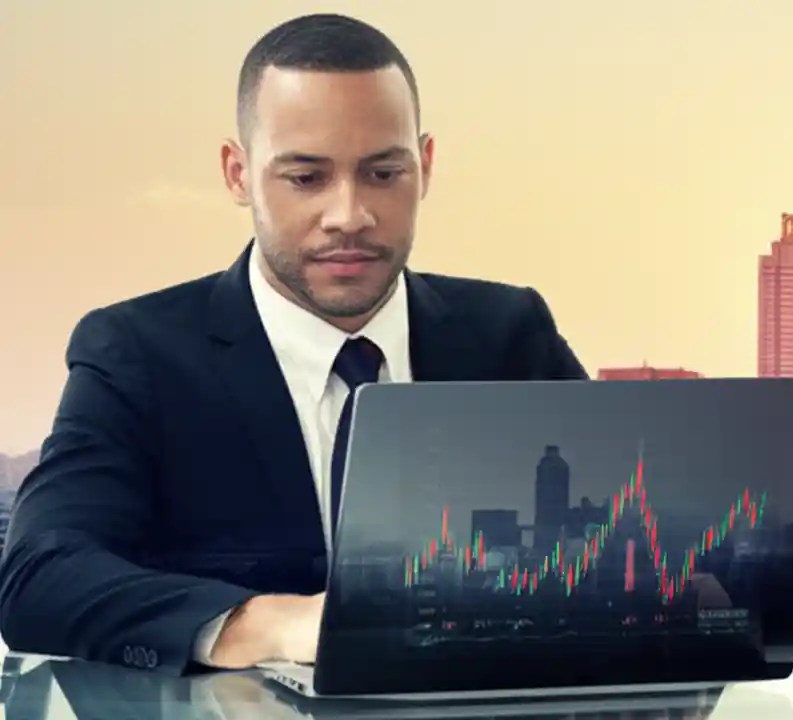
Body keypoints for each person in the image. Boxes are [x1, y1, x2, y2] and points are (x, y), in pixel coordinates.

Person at [0, 13, 588, 676]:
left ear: (424, 166)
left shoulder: (510, 335)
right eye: (306, 179)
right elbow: (38, 577)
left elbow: (635, 541)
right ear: (237, 174)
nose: (349, 216)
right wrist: (267, 624)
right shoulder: (138, 355)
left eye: (383, 173)